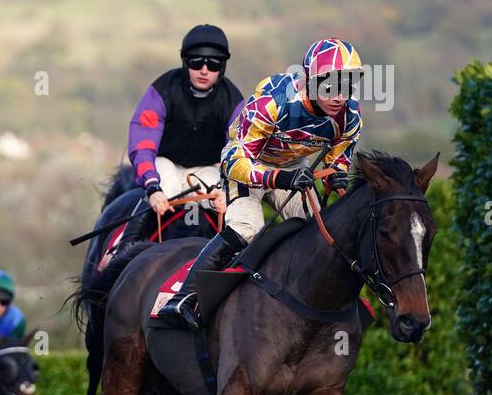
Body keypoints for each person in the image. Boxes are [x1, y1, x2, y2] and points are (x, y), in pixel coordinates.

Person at [156, 38, 364, 329]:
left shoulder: (350, 116)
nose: (338, 96)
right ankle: (183, 297)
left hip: (292, 167)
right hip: (248, 164)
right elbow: (233, 162)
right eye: (328, 85)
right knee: (246, 229)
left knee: (318, 236)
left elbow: (337, 160)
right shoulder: (274, 99)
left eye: (347, 85)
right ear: (308, 81)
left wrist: (336, 174)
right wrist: (281, 178)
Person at [123, 24, 244, 242]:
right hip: (165, 163)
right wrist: (152, 187)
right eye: (196, 62)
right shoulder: (163, 90)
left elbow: (239, 152)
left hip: (205, 169)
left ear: (222, 67)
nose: (204, 70)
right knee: (166, 187)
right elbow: (142, 143)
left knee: (222, 199)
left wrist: (229, 191)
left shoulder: (233, 101)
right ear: (185, 62)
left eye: (213, 64)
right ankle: (121, 249)